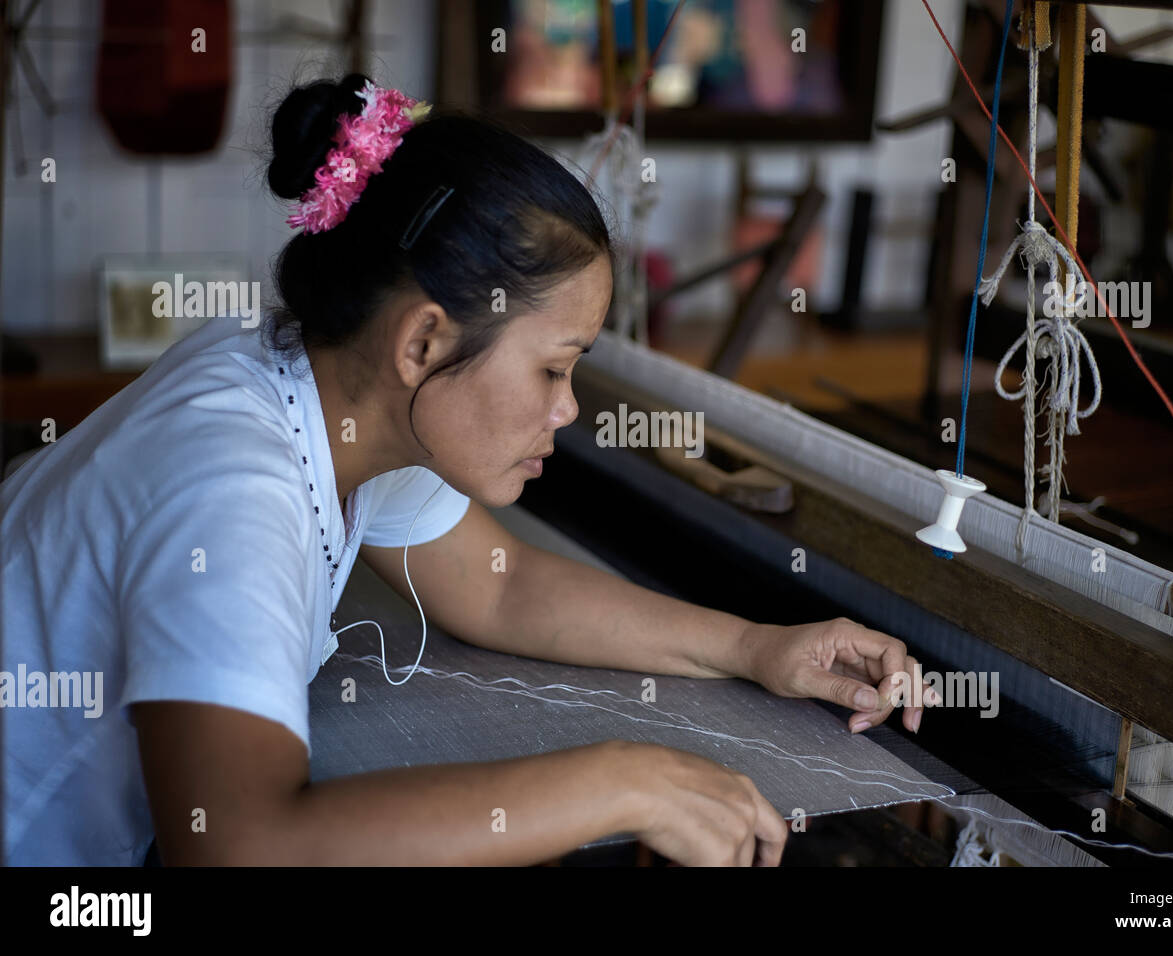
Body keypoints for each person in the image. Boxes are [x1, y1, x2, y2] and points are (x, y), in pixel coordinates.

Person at [1, 74, 934, 867]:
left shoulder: (323, 389)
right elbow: (243, 845)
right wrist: (620, 781)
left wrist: (758, 649)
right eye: (552, 368)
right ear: (423, 340)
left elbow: (502, 587)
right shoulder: (231, 493)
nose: (566, 409)